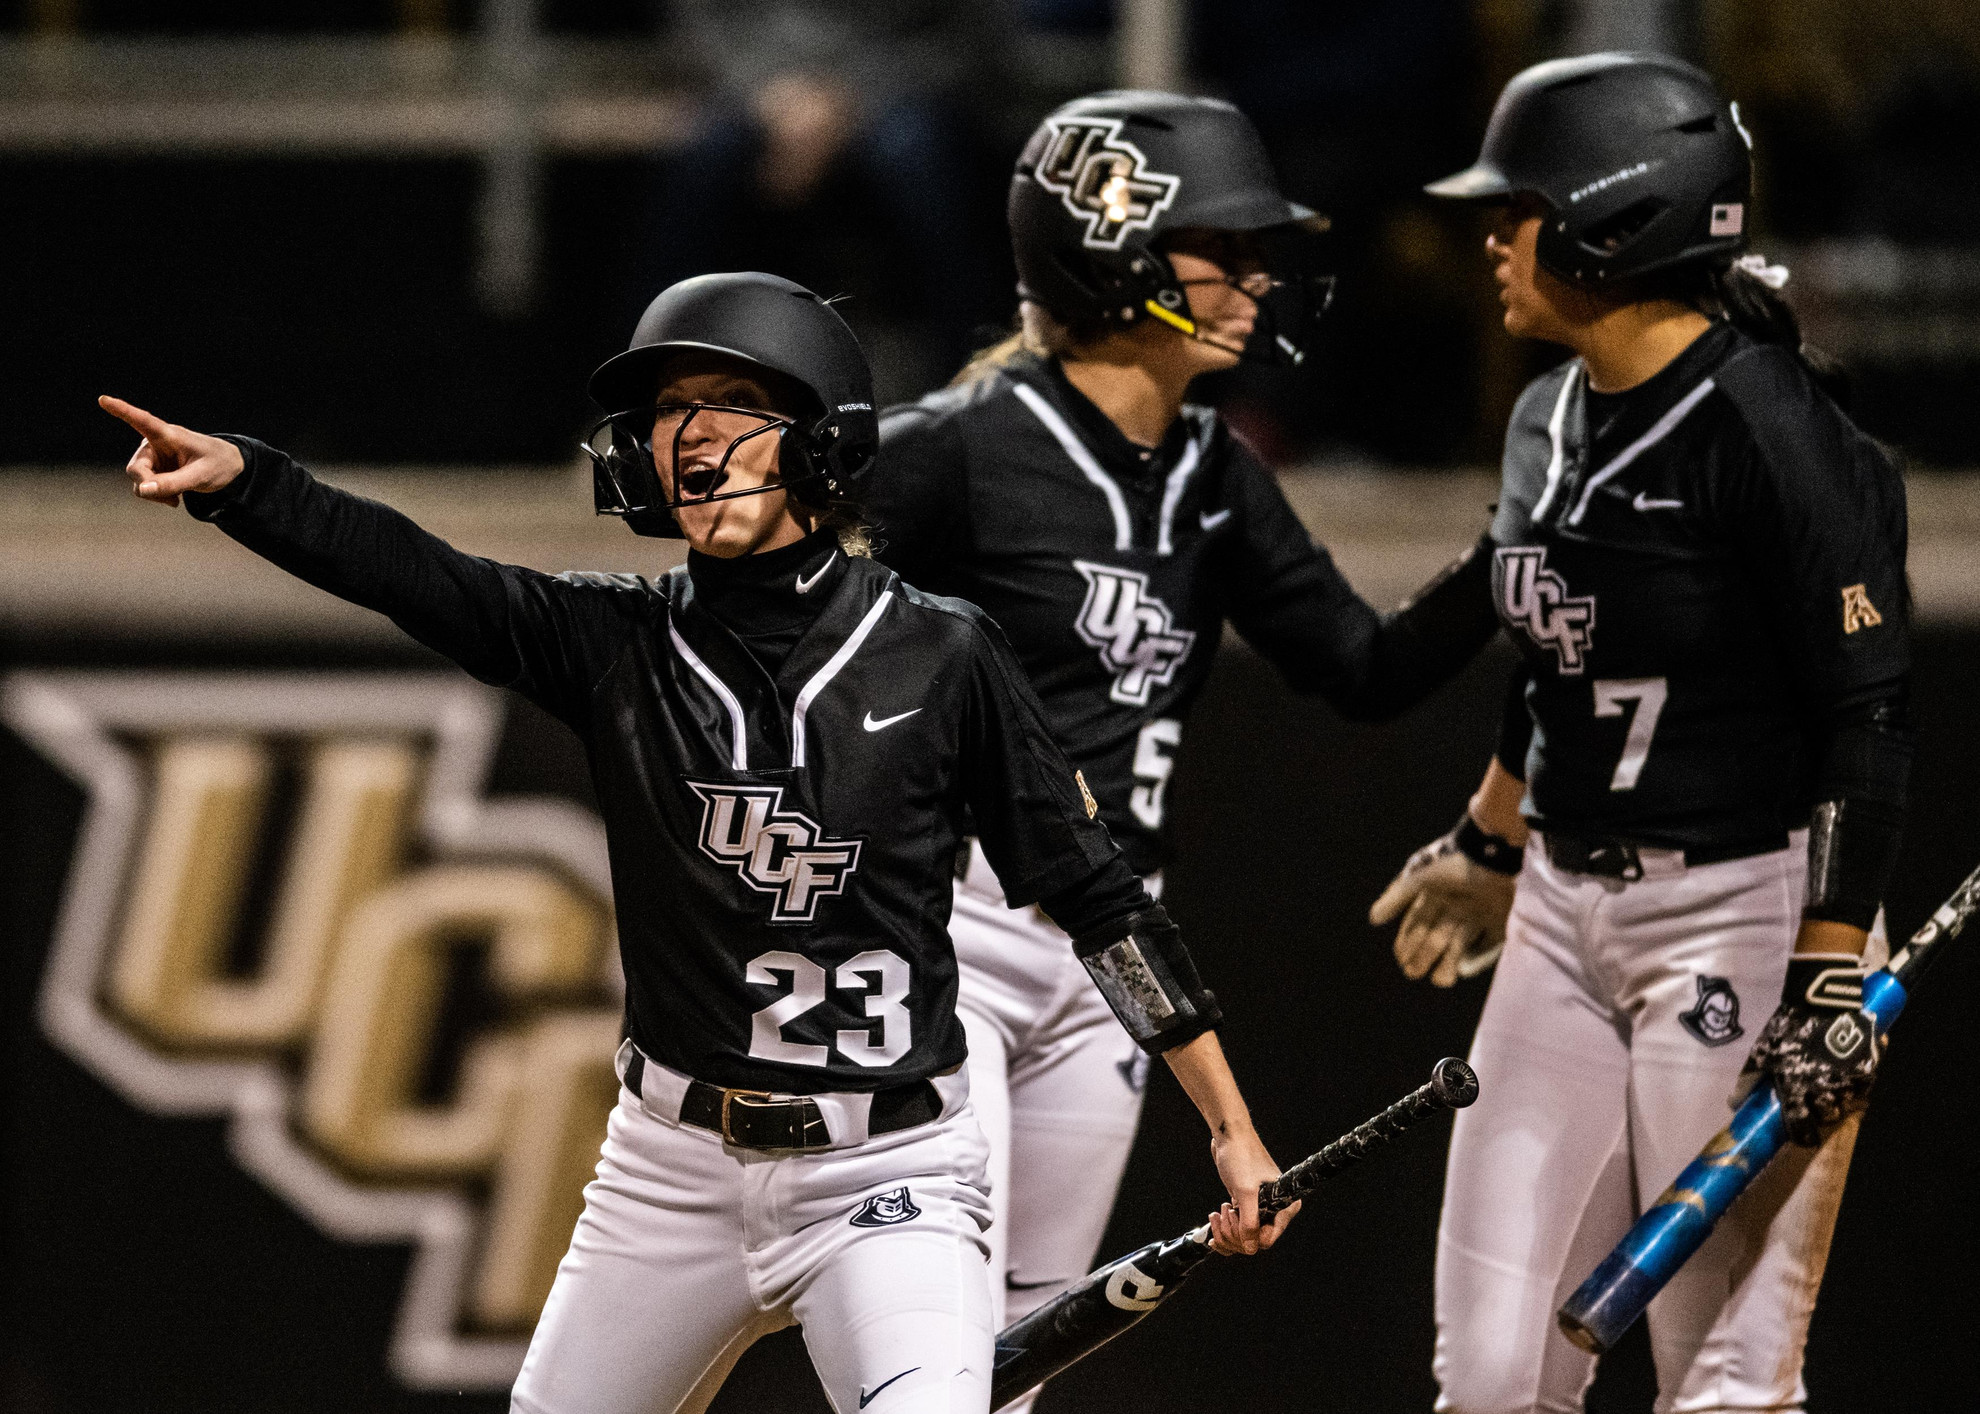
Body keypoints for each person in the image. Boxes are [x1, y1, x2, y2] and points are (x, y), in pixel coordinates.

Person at [98, 271, 1296, 1414]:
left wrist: (1231, 1128)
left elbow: (1100, 898)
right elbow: (424, 578)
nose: (690, 434)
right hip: (666, 1169)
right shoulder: (616, 641)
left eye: (731, 401)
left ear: (825, 437)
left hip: (887, 1173)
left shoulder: (944, 652)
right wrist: (247, 482)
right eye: (669, 409)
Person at [861, 91, 1504, 1406]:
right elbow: (775, 646)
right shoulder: (951, 452)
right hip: (946, 922)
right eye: (1225, 247)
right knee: (928, 1337)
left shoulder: (1213, 470)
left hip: (1114, 950)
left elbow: (1366, 668)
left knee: (1022, 1354)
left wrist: (1519, 547)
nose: (1258, 278)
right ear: (1113, 251)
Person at [1371, 53, 1912, 1414]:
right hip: (1562, 910)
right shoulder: (1545, 412)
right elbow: (1556, 654)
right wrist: (1491, 839)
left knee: (1722, 1382)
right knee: (1493, 1380)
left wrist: (1829, 971)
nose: (1494, 238)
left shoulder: (1776, 430)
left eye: (1520, 209)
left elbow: (1866, 708)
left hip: (1746, 909)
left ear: (1614, 221)